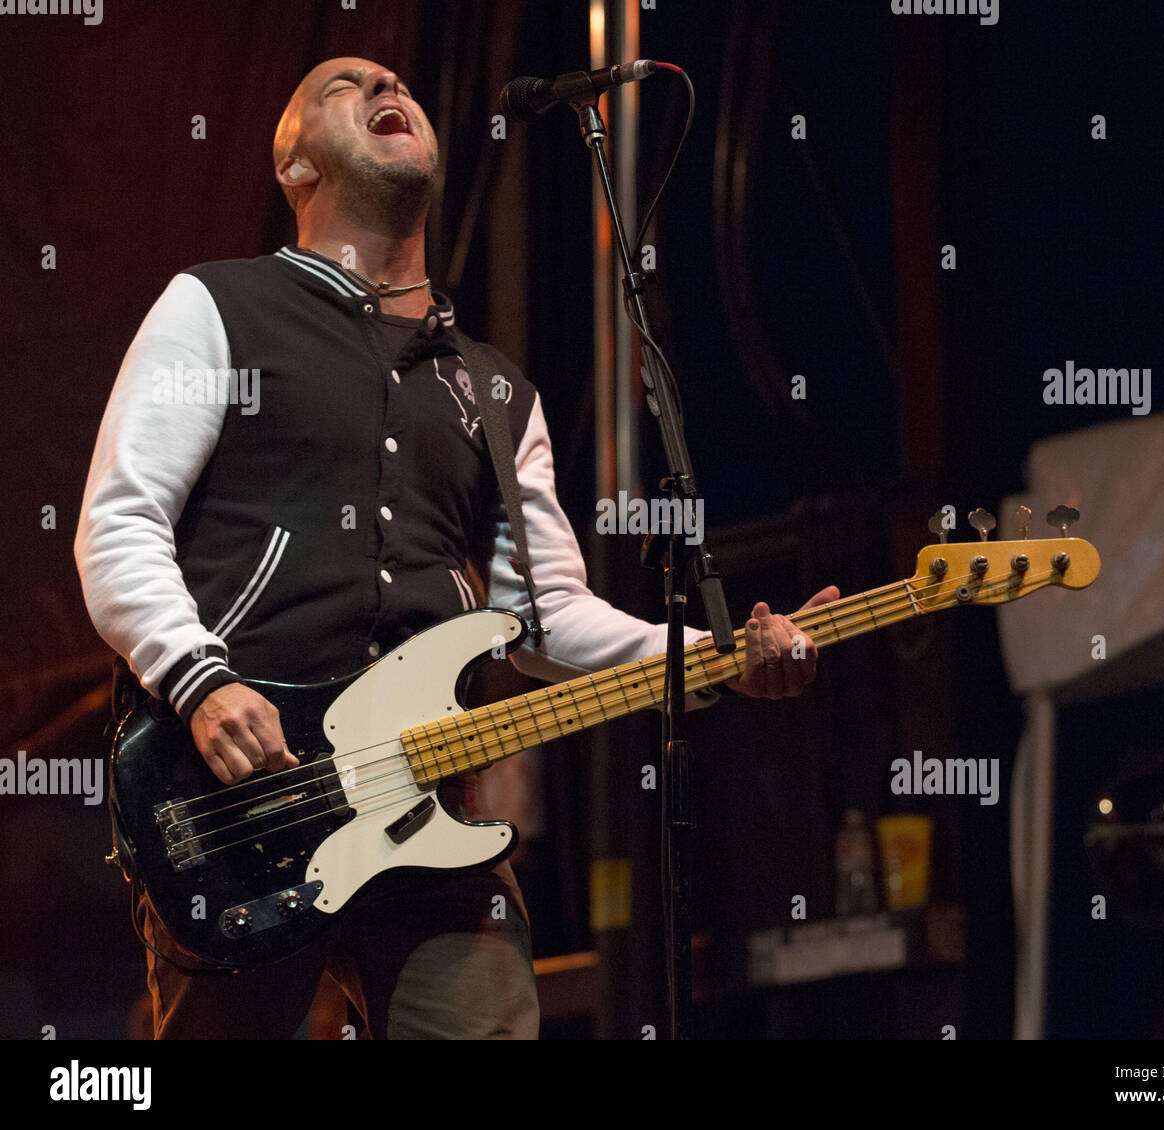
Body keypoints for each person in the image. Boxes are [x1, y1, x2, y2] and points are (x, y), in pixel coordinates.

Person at [75, 57, 838, 1040]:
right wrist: (198, 679)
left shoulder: (494, 391)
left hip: (425, 810)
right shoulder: (214, 309)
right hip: (234, 802)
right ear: (294, 168)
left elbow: (548, 615)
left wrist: (721, 661)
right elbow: (119, 520)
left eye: (396, 80)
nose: (386, 82)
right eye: (346, 84)